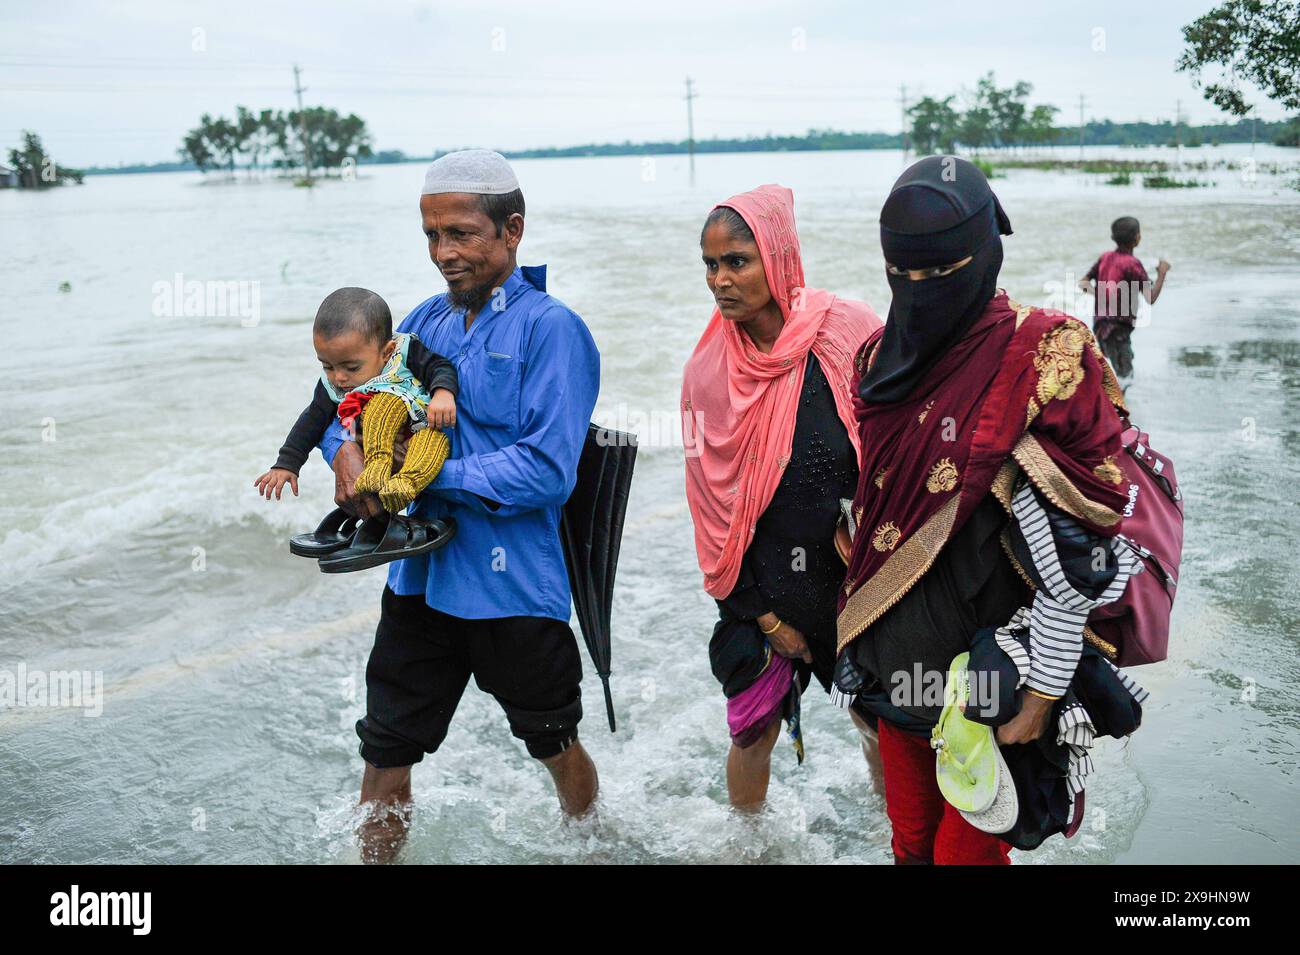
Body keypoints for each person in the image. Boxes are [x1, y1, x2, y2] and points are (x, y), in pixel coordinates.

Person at [835, 156, 1142, 864]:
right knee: (910, 847)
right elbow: (879, 507)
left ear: (988, 251)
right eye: (901, 274)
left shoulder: (1043, 359)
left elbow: (1079, 555)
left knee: (964, 859)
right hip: (890, 671)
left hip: (988, 684)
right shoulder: (876, 359)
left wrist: (1040, 691)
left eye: (939, 273)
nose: (918, 293)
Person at [325, 150, 601, 862]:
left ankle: (594, 843)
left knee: (553, 741)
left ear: (512, 229)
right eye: (430, 236)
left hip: (514, 589)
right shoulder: (420, 323)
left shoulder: (553, 331)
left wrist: (416, 481)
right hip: (417, 580)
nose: (443, 253)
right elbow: (347, 401)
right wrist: (346, 451)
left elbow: (545, 472)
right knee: (385, 749)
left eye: (461, 234)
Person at [681, 184, 884, 811]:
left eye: (736, 261)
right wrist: (766, 619)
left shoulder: (850, 333)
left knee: (881, 724)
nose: (720, 279)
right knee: (753, 732)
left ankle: (894, 834)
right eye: (710, 265)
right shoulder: (707, 373)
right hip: (764, 585)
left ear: (778, 256)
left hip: (857, 578)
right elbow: (710, 512)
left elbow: (899, 446)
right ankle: (750, 849)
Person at [253, 287, 458, 516]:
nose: (339, 377)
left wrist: (443, 393)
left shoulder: (403, 353)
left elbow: (438, 367)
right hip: (371, 452)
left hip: (417, 430)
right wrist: (287, 464)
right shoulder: (334, 384)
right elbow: (313, 418)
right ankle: (378, 512)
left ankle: (405, 485)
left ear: (386, 352)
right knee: (368, 480)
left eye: (351, 367)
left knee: (415, 432)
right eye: (327, 366)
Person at [1077, 216, 1170, 387]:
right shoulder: (1133, 264)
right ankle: (1117, 411)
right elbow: (1151, 298)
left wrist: (1100, 294)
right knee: (1125, 377)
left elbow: (1083, 283)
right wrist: (1162, 274)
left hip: (1100, 327)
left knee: (1117, 372)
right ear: (1137, 238)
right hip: (1117, 330)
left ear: (1113, 238)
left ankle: (1112, 407)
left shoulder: (1105, 257)